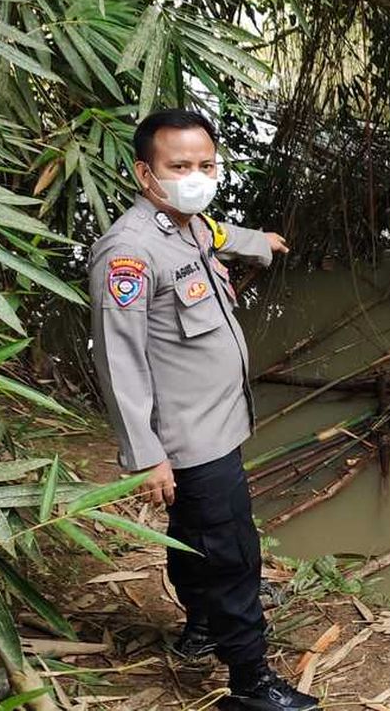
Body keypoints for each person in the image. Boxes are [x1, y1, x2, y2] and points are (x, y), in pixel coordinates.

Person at [88, 109, 318, 711]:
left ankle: (200, 628)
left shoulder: (185, 225)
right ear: (146, 173)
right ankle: (250, 682)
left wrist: (260, 244)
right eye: (179, 166)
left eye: (206, 165)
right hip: (190, 439)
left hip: (217, 423)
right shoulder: (129, 253)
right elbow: (119, 360)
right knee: (233, 552)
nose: (196, 176)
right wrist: (147, 455)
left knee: (193, 534)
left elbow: (218, 234)